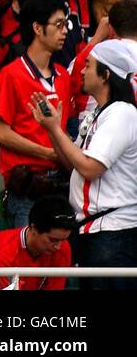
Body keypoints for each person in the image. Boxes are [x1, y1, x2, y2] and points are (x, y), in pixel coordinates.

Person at [31, 39, 137, 288]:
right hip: (96, 230)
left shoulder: (122, 112)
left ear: (105, 75)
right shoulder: (98, 113)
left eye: (88, 65)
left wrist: (55, 130)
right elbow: (73, 164)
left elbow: (90, 168)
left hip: (114, 232)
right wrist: (52, 129)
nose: (81, 70)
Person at [0, 0, 74, 228]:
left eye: (66, 24)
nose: (65, 30)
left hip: (60, 185)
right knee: (27, 261)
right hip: (26, 189)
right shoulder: (11, 74)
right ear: (38, 28)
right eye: (58, 24)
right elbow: (1, 133)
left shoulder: (63, 76)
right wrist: (47, 153)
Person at [0, 195, 75, 290]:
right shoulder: (4, 252)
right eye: (53, 240)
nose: (58, 246)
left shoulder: (63, 247)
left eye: (63, 240)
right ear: (33, 228)